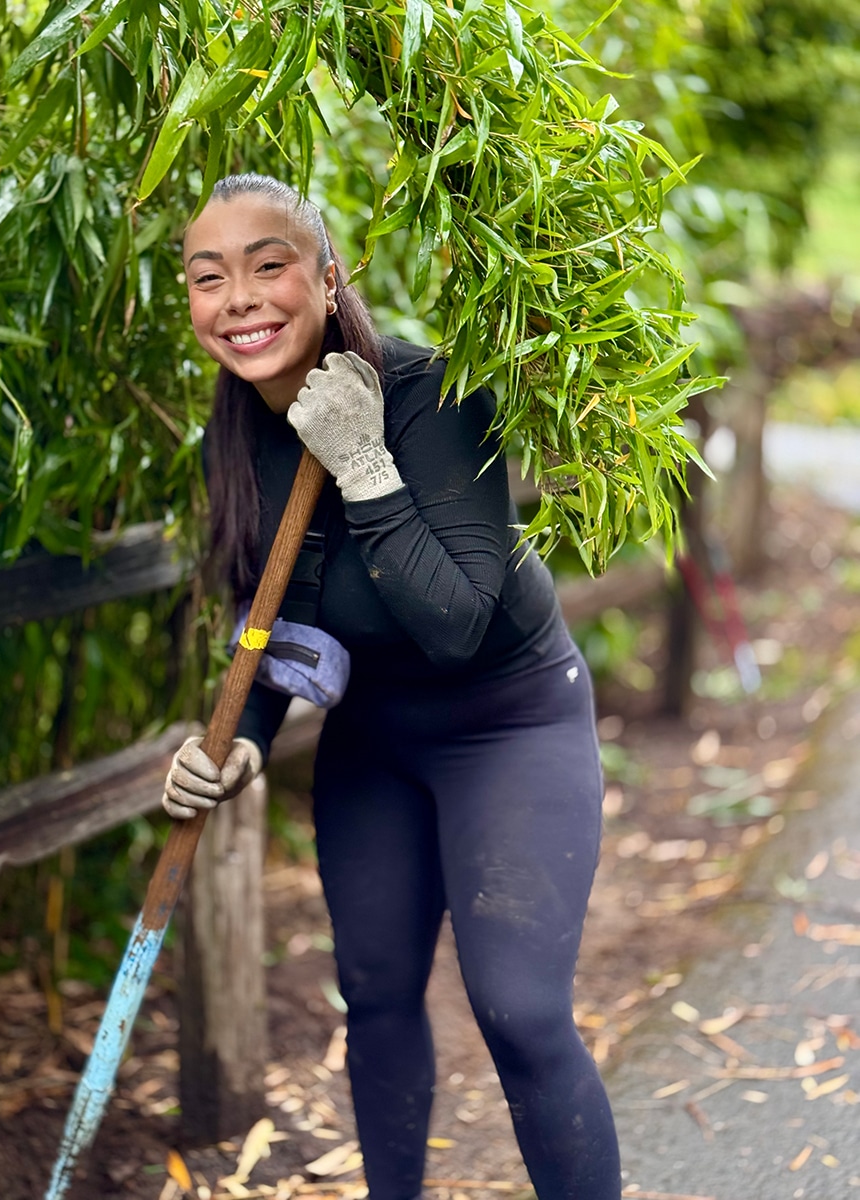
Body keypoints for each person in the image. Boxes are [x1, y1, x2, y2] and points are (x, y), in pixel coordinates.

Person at [164, 173, 621, 1200]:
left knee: (520, 1011)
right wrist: (243, 740)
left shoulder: (430, 398)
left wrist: (365, 464)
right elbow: (274, 624)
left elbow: (457, 624)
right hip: (373, 738)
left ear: (329, 278)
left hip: (508, 722)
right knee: (372, 994)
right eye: (208, 278)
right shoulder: (232, 437)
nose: (237, 298)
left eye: (267, 266)